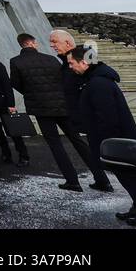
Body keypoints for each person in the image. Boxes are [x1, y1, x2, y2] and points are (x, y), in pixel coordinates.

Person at [66, 45, 136, 226]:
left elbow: (108, 117)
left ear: (84, 62)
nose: (70, 66)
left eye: (71, 63)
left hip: (117, 143)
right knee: (130, 179)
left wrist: (108, 146)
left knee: (131, 179)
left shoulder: (98, 83)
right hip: (118, 141)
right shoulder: (95, 79)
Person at [9, 33, 90, 191]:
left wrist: (31, 92)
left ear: (21, 44)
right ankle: (102, 178)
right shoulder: (51, 59)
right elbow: (61, 79)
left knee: (55, 145)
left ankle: (72, 181)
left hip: (41, 108)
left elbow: (16, 83)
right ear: (33, 43)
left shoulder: (16, 62)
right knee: (77, 140)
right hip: (61, 104)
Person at [51, 28, 116, 192]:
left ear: (67, 42)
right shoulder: (66, 62)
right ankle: (102, 180)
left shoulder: (82, 57)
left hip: (89, 114)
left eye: (54, 42)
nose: (52, 45)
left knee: (101, 149)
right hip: (78, 112)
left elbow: (94, 77)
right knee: (91, 148)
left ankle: (106, 181)